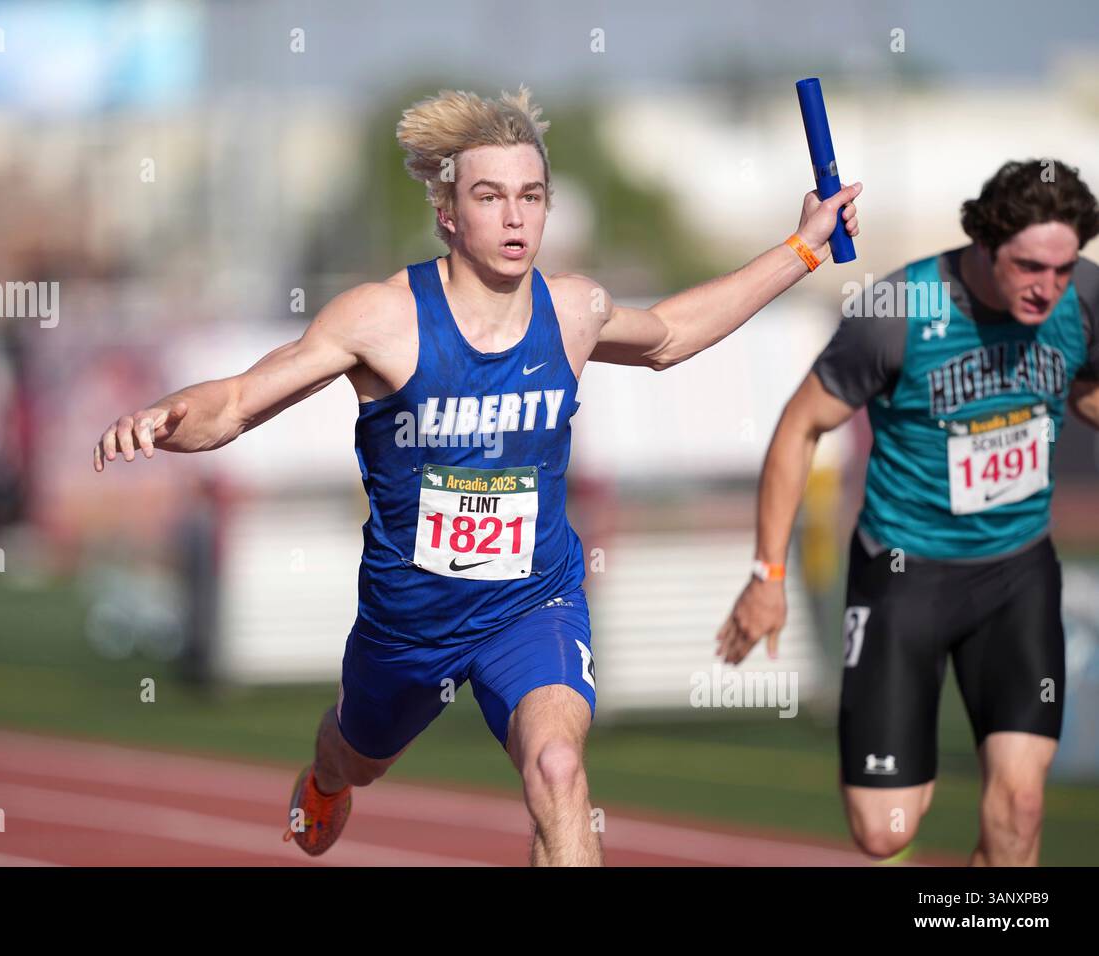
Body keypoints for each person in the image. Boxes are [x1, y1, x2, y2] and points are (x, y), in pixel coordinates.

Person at [94, 86, 861, 866]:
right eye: (490, 197)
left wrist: (802, 247)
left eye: (531, 197)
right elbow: (238, 402)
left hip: (533, 603)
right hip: (408, 622)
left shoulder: (572, 311)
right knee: (355, 757)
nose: (516, 217)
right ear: (449, 214)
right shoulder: (382, 320)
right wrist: (164, 416)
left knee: (558, 771)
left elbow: (671, 335)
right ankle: (328, 778)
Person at [717, 158, 1099, 866]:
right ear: (986, 244)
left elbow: (1084, 388)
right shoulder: (899, 312)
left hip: (1017, 572)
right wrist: (767, 574)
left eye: (1063, 267)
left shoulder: (1083, 299)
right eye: (1027, 268)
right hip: (904, 575)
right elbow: (800, 427)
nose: (1047, 288)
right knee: (884, 829)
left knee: (1019, 802)